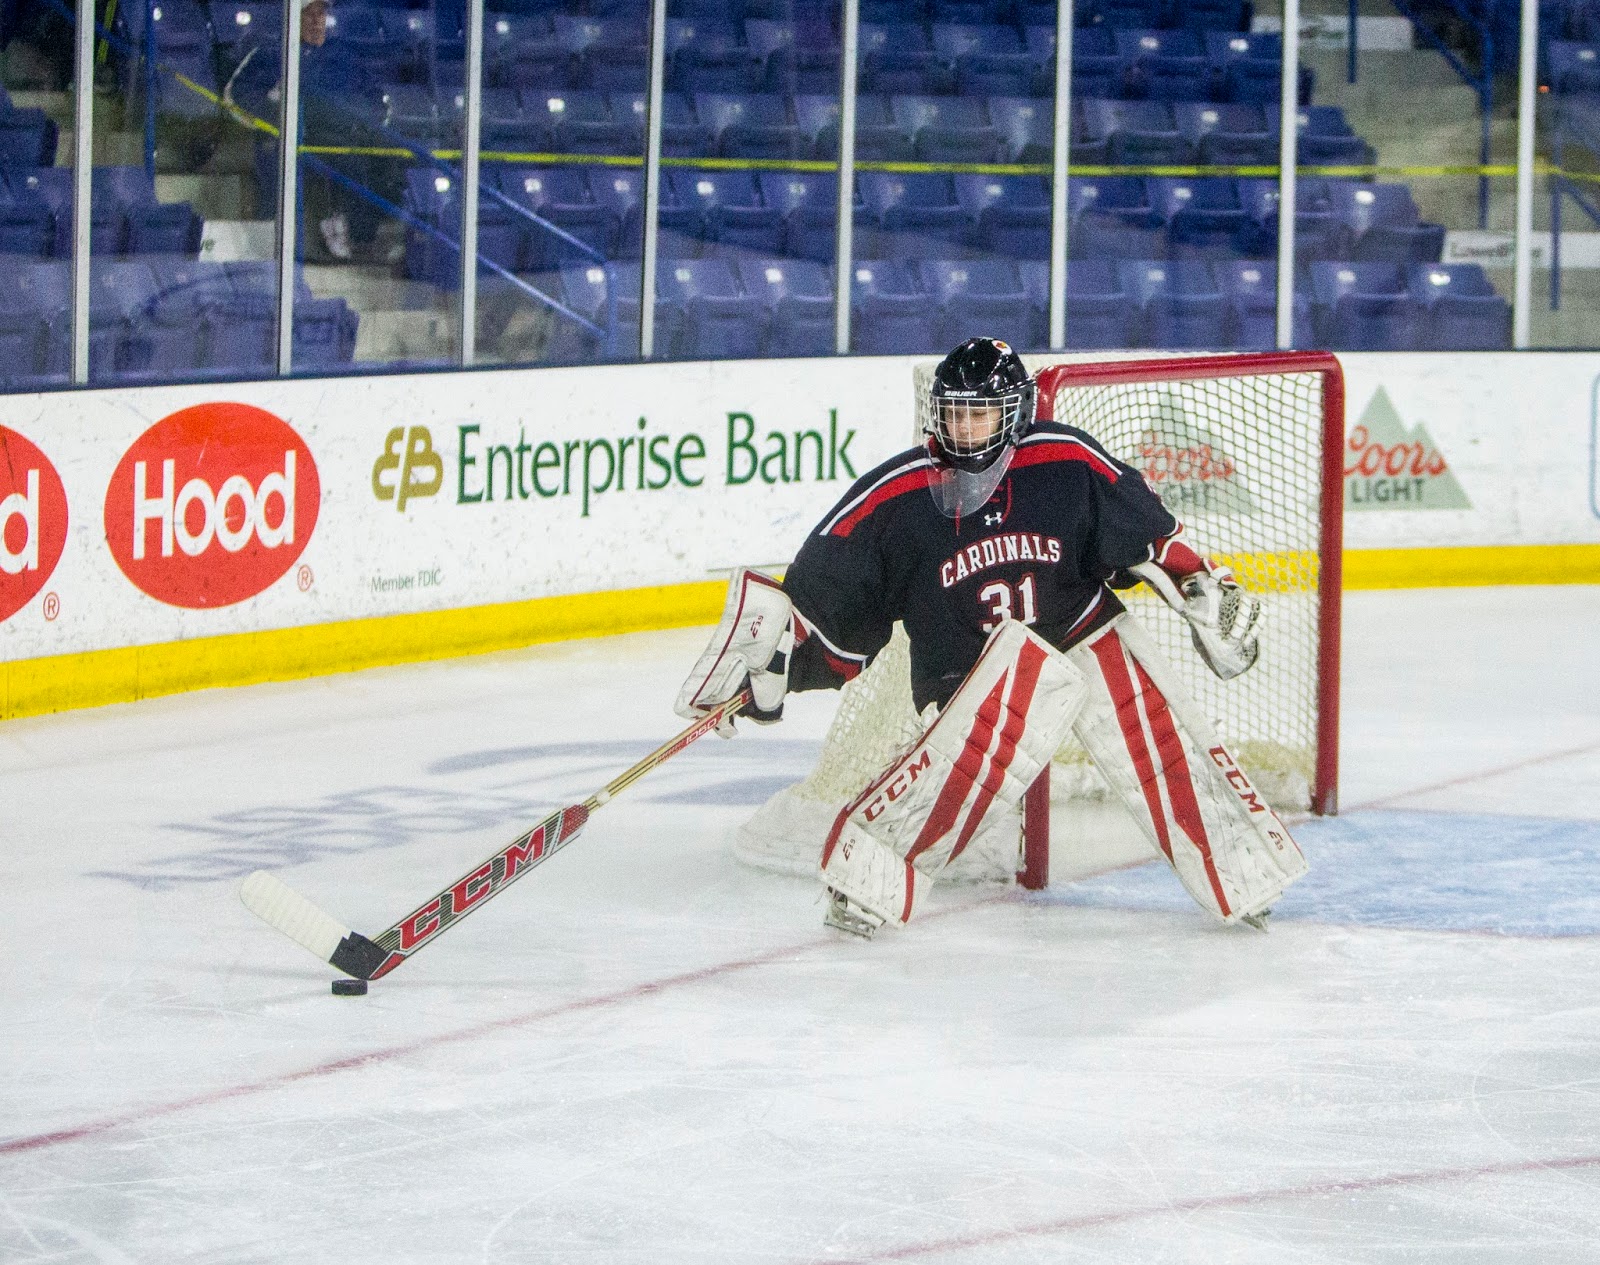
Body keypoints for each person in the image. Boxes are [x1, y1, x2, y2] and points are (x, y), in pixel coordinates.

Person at [677, 337, 1307, 937]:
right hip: (965, 668)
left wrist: (1200, 583)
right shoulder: (896, 497)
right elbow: (832, 612)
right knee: (965, 763)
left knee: (1159, 734)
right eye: (953, 414)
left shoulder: (1065, 460)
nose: (964, 429)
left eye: (979, 414)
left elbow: (1150, 539)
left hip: (1077, 626)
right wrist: (779, 666)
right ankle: (866, 880)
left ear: (1016, 412)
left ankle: (1245, 871)